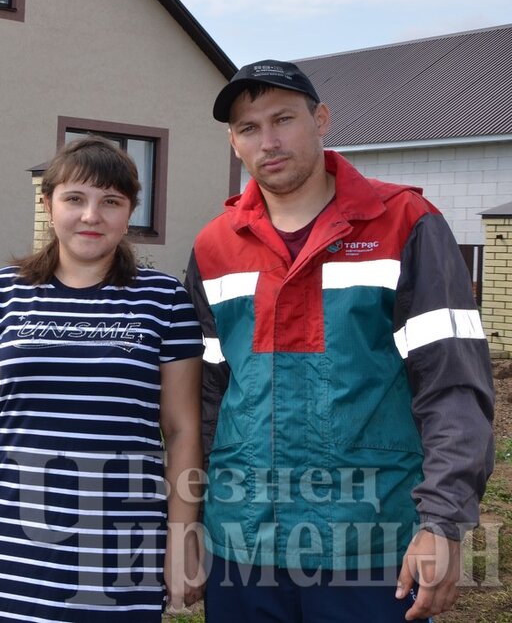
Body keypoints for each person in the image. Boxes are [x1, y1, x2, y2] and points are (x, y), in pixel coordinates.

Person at [187, 59, 495, 622]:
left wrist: (443, 523)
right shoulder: (214, 246)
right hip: (242, 544)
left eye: (283, 119)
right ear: (233, 142)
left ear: (322, 119)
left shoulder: (406, 223)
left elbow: (453, 389)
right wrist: (188, 524)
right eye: (249, 128)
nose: (269, 141)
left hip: (370, 543)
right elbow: (205, 400)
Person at [0, 135, 205, 621]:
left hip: (123, 545)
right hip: (10, 542)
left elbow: (183, 430)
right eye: (75, 199)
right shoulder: (1, 293)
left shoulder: (164, 300)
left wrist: (181, 539)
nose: (92, 216)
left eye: (111, 202)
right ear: (48, 204)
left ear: (130, 213)